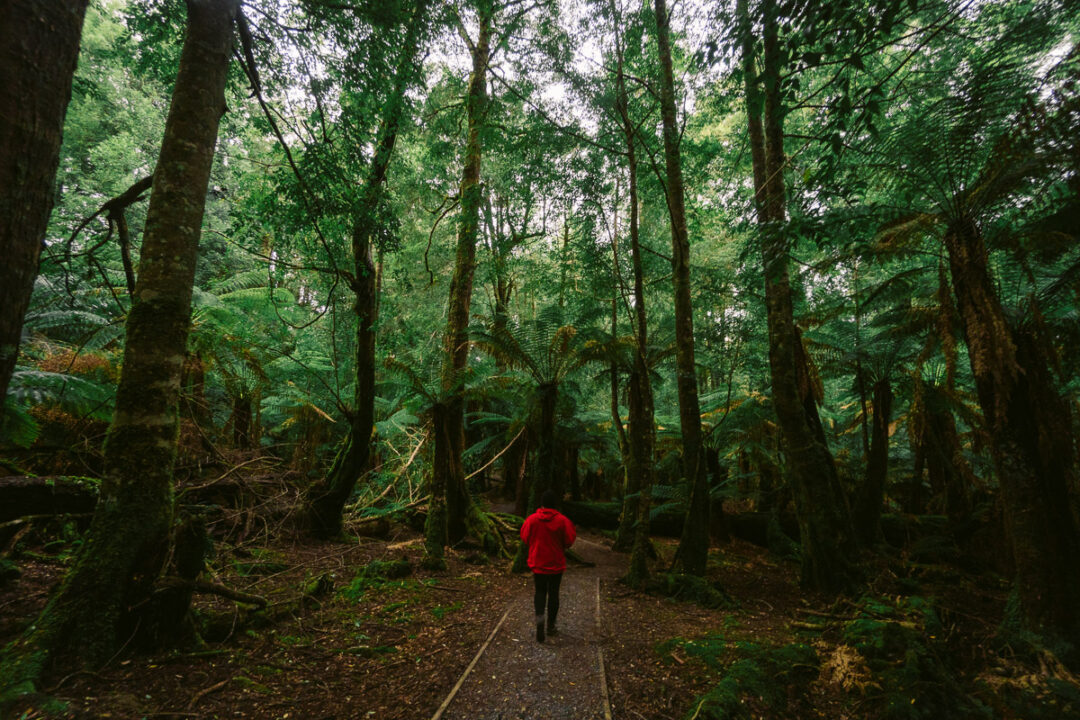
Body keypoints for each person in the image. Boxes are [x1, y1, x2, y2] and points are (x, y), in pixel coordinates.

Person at [520, 489, 576, 642]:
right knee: (553, 593)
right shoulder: (563, 521)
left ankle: (540, 620)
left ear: (542, 504)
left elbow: (524, 537)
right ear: (555, 504)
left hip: (538, 563)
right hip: (556, 564)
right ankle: (550, 626)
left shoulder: (532, 520)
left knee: (540, 591)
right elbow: (569, 540)